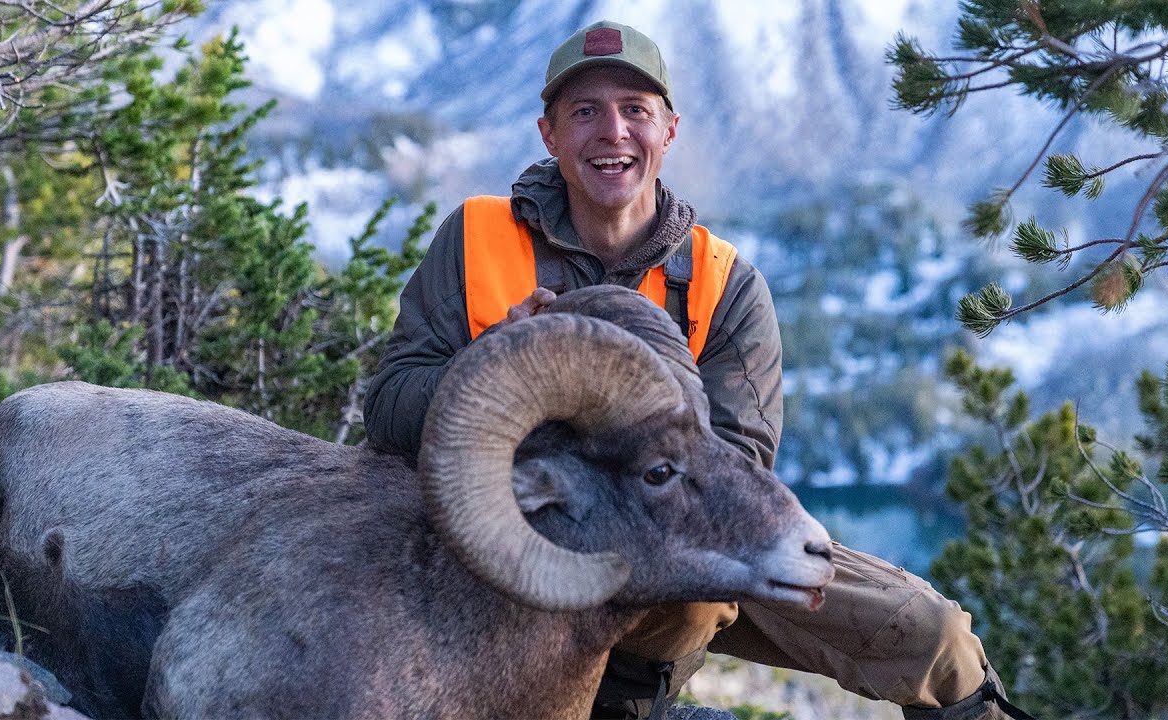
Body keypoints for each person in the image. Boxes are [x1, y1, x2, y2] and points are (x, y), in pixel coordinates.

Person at [364, 20, 1028, 720]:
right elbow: (391, 405)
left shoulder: (724, 285)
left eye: (635, 111)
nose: (612, 131)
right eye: (585, 112)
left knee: (933, 636)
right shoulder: (474, 238)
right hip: (515, 528)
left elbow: (734, 463)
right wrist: (497, 360)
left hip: (664, 537)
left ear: (669, 131)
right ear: (549, 134)